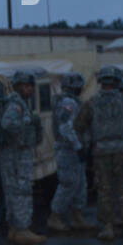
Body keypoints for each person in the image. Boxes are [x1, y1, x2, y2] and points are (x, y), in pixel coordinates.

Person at [74, 65, 123, 241]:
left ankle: (108, 228)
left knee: (104, 190)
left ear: (100, 81)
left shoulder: (90, 102)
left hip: (100, 152)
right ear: (118, 81)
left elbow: (78, 125)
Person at [0, 70, 46, 245]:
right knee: (22, 191)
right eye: (26, 86)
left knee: (13, 191)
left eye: (30, 86)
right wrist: (28, 123)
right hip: (16, 154)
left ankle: (14, 228)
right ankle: (23, 229)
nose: (30, 89)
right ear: (18, 86)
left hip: (13, 154)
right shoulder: (16, 105)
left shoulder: (19, 103)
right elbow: (7, 124)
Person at [47, 72, 89, 232]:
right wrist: (78, 146)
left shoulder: (73, 102)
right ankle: (55, 217)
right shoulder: (67, 103)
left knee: (80, 184)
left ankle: (77, 217)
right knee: (68, 184)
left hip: (74, 148)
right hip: (67, 149)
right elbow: (65, 126)